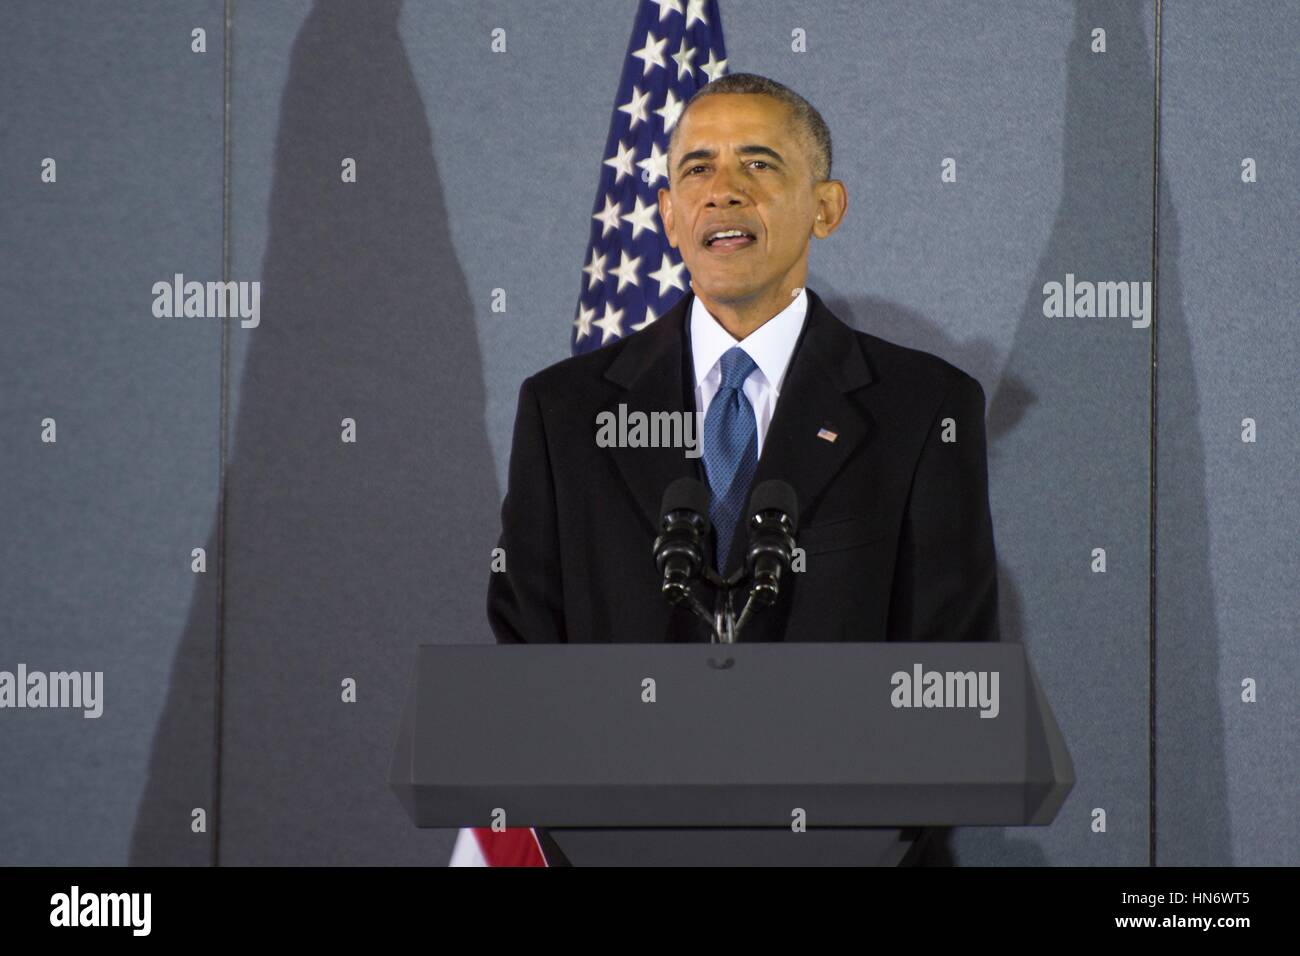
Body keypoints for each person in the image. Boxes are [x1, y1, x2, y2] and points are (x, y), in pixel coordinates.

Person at [487, 73, 1000, 866]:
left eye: (758, 165)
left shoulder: (922, 408)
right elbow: (528, 659)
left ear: (825, 208)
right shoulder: (565, 412)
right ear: (666, 214)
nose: (722, 192)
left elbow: (948, 669)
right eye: (696, 169)